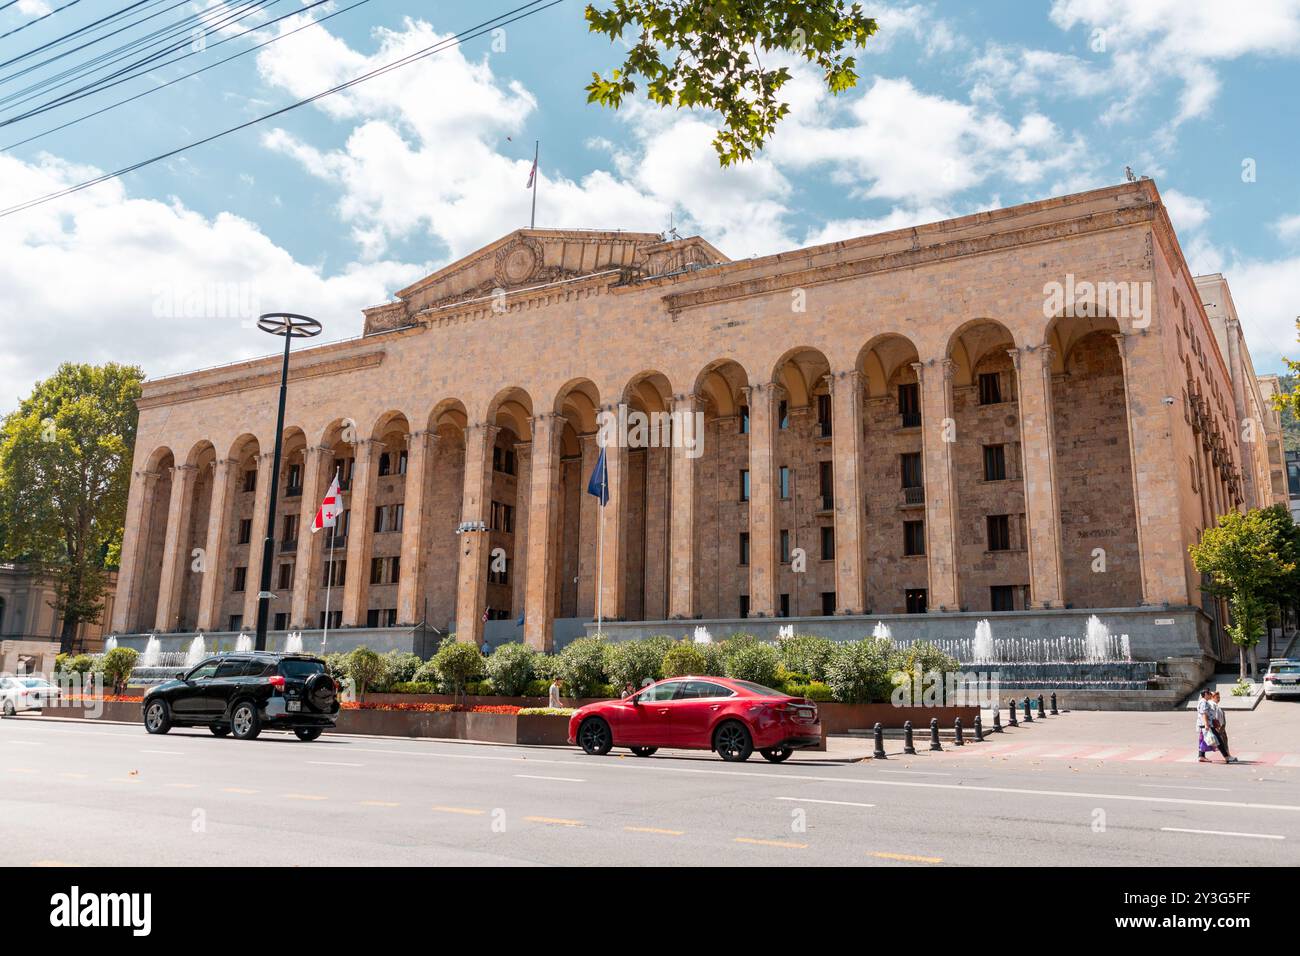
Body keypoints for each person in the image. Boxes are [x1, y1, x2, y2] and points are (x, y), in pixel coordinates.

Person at [1197, 689, 1225, 763]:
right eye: (1209, 693)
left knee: (1204, 740)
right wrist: (1206, 725)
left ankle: (1201, 756)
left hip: (1205, 724)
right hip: (1207, 725)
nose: (1210, 695)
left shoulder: (1203, 702)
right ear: (1206, 694)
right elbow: (1204, 714)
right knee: (1218, 740)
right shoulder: (1204, 702)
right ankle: (1227, 756)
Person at [1211, 691, 1238, 763]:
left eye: (1219, 697)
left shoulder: (1216, 705)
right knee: (1222, 742)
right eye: (1217, 697)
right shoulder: (1213, 705)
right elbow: (1215, 717)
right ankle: (1227, 756)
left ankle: (1228, 755)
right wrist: (1217, 727)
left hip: (1221, 727)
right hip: (1219, 727)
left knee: (1224, 741)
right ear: (1212, 697)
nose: (1219, 699)